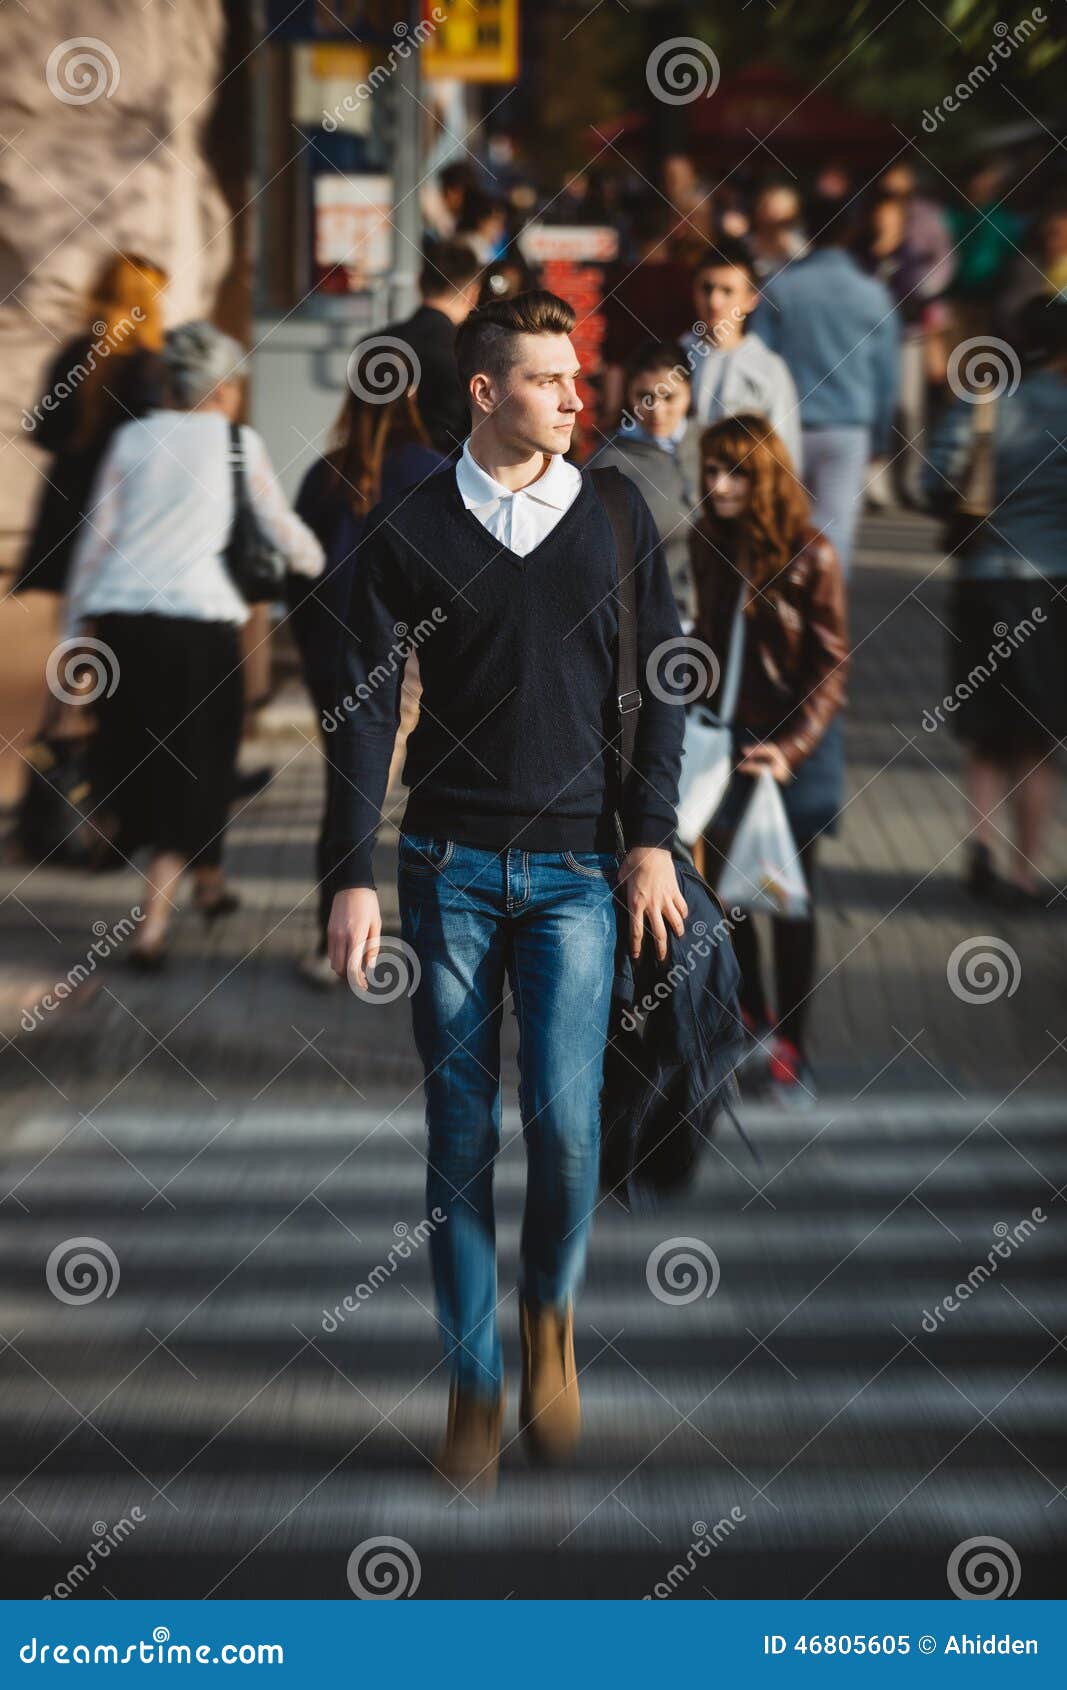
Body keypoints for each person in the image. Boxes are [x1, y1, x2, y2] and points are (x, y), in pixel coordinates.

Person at [324, 290, 687, 1492]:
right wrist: (350, 872)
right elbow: (366, 709)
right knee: (459, 1135)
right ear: (483, 392)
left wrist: (650, 840)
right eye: (549, 379)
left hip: (584, 870)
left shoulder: (617, 517)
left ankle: (549, 1319)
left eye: (578, 378)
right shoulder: (410, 525)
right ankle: (474, 1379)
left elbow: (660, 687)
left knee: (570, 1127)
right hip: (449, 870)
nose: (579, 397)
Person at [62, 321, 324, 968]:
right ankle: (150, 930)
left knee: (152, 765)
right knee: (196, 773)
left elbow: (93, 545)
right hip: (198, 632)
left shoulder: (128, 439)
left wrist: (74, 639)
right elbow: (278, 525)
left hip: (122, 629)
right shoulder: (235, 443)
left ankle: (208, 885)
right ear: (224, 388)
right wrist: (318, 559)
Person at [691, 414, 848, 1105]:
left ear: (765, 478)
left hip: (792, 752)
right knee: (729, 899)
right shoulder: (710, 540)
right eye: (710, 470)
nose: (717, 485)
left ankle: (792, 1048)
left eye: (734, 472)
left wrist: (790, 748)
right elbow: (708, 637)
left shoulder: (810, 554)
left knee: (788, 904)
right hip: (727, 741)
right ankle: (749, 1024)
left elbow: (829, 665)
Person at [291, 384, 447, 988]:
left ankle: (332, 939)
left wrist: (313, 652)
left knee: (347, 795)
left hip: (336, 661)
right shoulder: (436, 472)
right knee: (426, 790)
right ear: (412, 394)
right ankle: (434, 934)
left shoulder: (324, 475)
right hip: (412, 660)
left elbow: (297, 574)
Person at [921, 296, 1067, 910]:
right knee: (1037, 737)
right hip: (1053, 584)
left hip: (982, 581)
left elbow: (933, 483)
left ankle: (979, 845)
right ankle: (1027, 873)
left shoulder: (984, 403)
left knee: (985, 730)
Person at [753, 192, 900, 574]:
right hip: (848, 428)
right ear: (851, 232)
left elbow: (759, 361)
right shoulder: (873, 294)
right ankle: (823, 620)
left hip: (786, 425)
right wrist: (881, 439)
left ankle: (782, 619)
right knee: (834, 538)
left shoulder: (780, 287)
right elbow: (887, 376)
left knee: (781, 530)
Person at [15, 253, 168, 598]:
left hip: (68, 507)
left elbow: (46, 433)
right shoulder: (150, 367)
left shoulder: (74, 354)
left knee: (76, 629)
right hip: (127, 510)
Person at [587, 338, 701, 622]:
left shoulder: (714, 445)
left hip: (724, 618)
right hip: (652, 620)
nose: (657, 411)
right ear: (628, 393)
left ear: (690, 391)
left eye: (669, 397)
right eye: (644, 397)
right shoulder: (606, 462)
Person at [679, 238, 802, 470]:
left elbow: (785, 453)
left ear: (751, 300)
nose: (714, 301)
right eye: (707, 288)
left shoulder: (769, 368)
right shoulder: (674, 358)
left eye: (727, 291)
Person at [353, 242, 482, 457]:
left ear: (420, 284)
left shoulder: (374, 344)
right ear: (472, 293)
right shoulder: (470, 353)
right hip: (446, 477)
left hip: (372, 471)